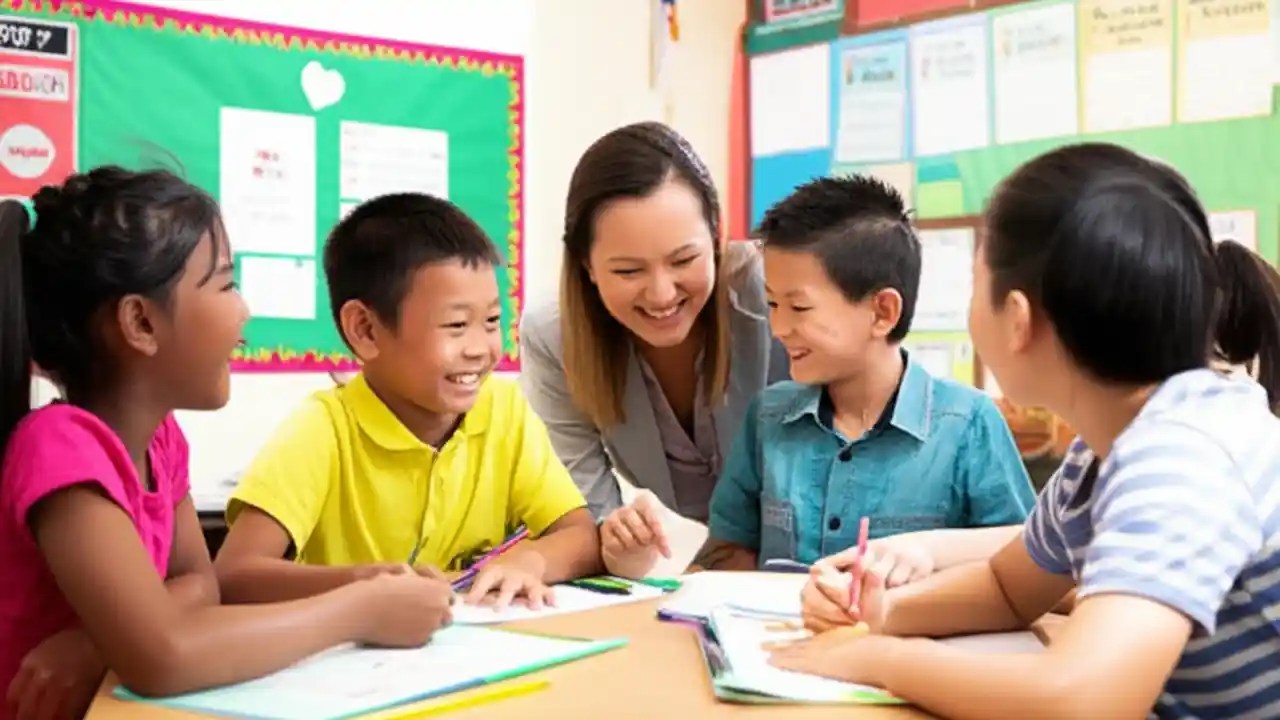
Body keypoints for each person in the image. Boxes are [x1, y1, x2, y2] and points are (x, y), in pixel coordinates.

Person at [775, 143, 1280, 719]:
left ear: (1017, 319)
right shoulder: (1105, 447)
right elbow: (1007, 588)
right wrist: (881, 613)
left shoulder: (1183, 457)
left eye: (974, 285)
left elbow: (1083, 700)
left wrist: (878, 659)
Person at [0, 170, 449, 720]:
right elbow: (164, 657)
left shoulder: (161, 440)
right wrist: (359, 610)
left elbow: (201, 586)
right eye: (224, 284)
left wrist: (103, 640)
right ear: (141, 322)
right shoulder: (62, 448)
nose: (244, 312)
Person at [215, 193, 601, 610]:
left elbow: (580, 535)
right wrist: (368, 585)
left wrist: (530, 561)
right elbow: (234, 576)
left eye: (491, 321)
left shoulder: (504, 411)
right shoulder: (323, 429)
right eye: (456, 324)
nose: (481, 348)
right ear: (365, 330)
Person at [695, 175, 1033, 571]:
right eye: (772, 304)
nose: (779, 327)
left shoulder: (968, 425)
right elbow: (729, 546)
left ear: (882, 312)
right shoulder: (767, 417)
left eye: (799, 307)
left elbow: (1026, 563)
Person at [517, 122, 789, 573]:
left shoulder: (776, 292)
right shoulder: (553, 335)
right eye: (628, 271)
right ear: (587, 265)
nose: (662, 294)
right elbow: (583, 514)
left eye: (684, 260)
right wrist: (619, 541)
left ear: (716, 237)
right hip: (721, 578)